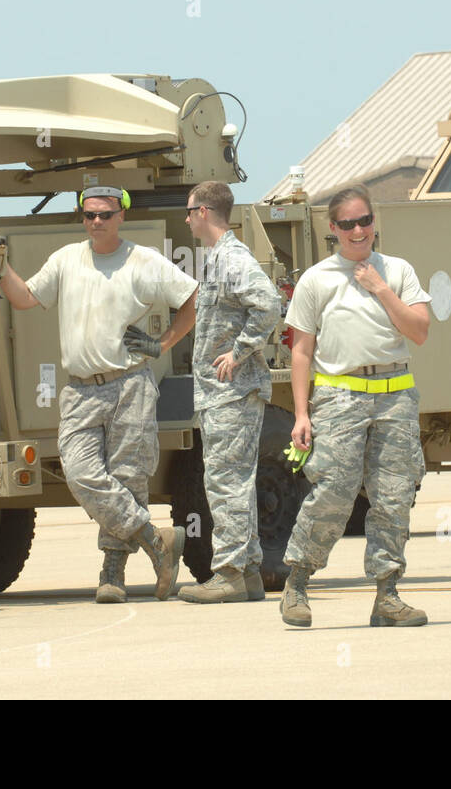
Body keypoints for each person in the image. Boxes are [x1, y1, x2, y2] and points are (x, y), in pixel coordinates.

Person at [0, 185, 196, 602]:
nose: (95, 222)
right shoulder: (66, 259)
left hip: (130, 383)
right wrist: (1, 267)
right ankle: (156, 540)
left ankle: (112, 572)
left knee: (127, 479)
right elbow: (25, 298)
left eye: (104, 215)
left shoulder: (143, 260)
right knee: (81, 474)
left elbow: (191, 298)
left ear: (121, 217)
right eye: (88, 215)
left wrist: (164, 344)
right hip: (81, 390)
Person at [279, 185, 432, 628]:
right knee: (333, 491)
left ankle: (387, 594)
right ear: (333, 229)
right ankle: (297, 584)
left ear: (373, 222)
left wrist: (380, 288)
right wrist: (302, 414)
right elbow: (301, 352)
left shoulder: (398, 271)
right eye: (348, 224)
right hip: (339, 398)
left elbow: (419, 331)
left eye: (364, 221)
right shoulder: (316, 279)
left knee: (394, 497)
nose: (358, 230)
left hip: (394, 396)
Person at [178, 181, 280, 604]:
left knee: (226, 483)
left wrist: (238, 352)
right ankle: (248, 571)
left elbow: (269, 304)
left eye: (189, 211)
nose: (186, 219)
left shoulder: (232, 259)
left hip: (231, 394)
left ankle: (232, 574)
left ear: (204, 212)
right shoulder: (218, 259)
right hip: (224, 395)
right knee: (233, 481)